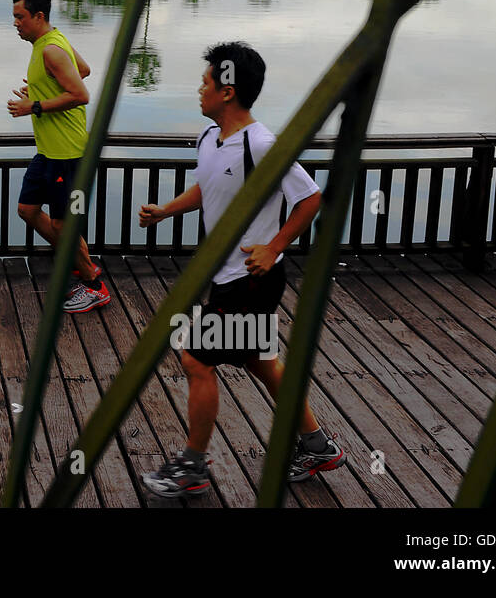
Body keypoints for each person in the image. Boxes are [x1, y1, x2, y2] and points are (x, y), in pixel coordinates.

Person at [139, 41, 345, 497]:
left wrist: (273, 246)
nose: (200, 89)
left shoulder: (263, 144)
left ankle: (191, 467)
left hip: (251, 280)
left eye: (206, 82)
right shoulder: (209, 138)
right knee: (259, 359)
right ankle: (317, 445)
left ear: (227, 91)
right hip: (228, 278)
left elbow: (311, 197)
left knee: (194, 357)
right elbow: (207, 187)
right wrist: (166, 211)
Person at [6, 0, 108, 313]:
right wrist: (42, 87)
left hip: (69, 154)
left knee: (65, 228)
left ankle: (93, 284)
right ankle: (79, 263)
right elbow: (84, 70)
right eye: (14, 18)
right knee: (27, 210)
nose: (16, 24)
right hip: (49, 153)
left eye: (20, 17)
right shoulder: (50, 42)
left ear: (39, 16)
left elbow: (81, 94)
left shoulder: (51, 50)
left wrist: (33, 104)